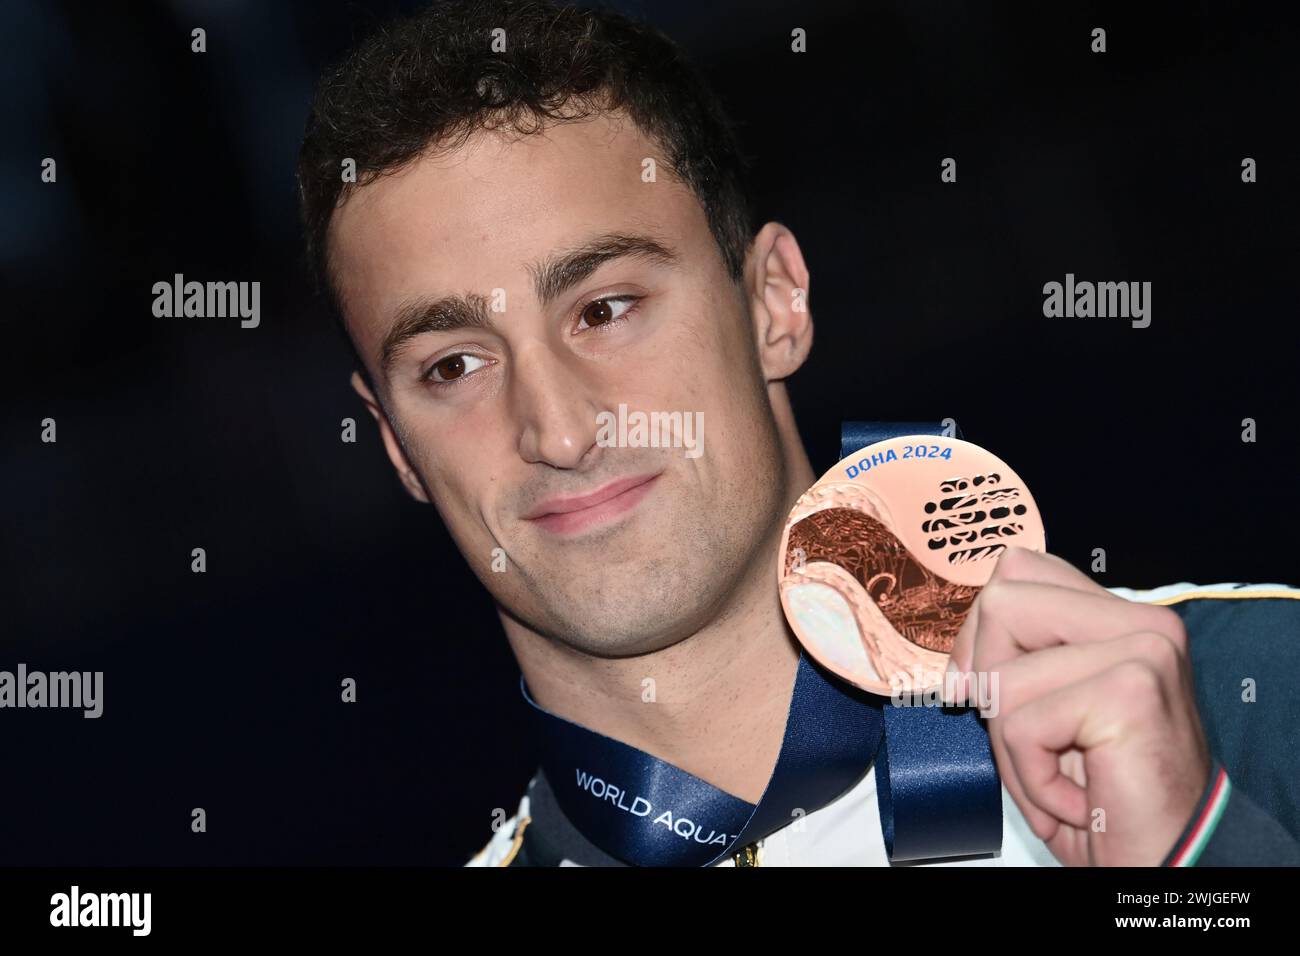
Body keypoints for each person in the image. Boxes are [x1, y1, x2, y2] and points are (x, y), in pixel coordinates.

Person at [294, 0, 1300, 866]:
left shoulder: (1246, 690)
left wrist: (1193, 865)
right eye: (452, 366)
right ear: (392, 443)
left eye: (605, 308)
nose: (556, 429)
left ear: (773, 300)